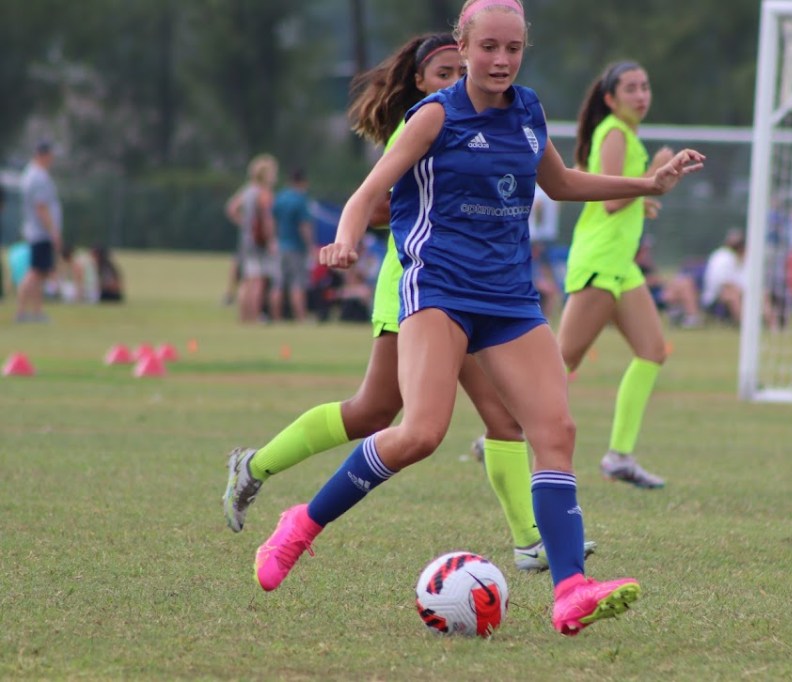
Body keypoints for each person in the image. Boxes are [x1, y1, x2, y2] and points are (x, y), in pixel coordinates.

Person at [246, 0, 704, 637]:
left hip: (511, 298)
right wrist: (346, 239)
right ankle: (300, 525)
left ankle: (570, 590)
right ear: (463, 46)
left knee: (555, 429)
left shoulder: (529, 108)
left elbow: (562, 183)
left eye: (513, 49)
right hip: (438, 290)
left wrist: (647, 187)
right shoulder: (434, 115)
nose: (501, 60)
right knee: (420, 433)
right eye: (489, 47)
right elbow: (367, 194)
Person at [224, 32, 596, 577]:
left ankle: (529, 542)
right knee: (376, 414)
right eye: (443, 73)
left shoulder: (510, 114)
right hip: (418, 282)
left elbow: (550, 182)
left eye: (456, 71)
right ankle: (255, 465)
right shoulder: (428, 119)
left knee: (501, 417)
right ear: (421, 81)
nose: (454, 80)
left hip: (479, 288)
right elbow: (374, 204)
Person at [557, 61, 676, 490]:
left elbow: (620, 196)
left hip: (621, 265)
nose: (641, 95)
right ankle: (497, 433)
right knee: (560, 362)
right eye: (631, 88)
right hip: (601, 260)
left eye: (645, 87)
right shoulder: (613, 131)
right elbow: (609, 199)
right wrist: (653, 176)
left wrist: (643, 199)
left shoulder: (623, 134)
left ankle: (619, 456)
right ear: (610, 98)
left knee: (653, 350)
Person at [226, 154, 279, 323]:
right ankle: (255, 316)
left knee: (247, 280)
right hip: (260, 242)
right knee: (258, 281)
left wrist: (244, 224)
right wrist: (271, 240)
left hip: (246, 240)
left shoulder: (247, 190)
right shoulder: (264, 194)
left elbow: (231, 208)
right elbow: (267, 220)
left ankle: (244, 317)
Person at [16, 141, 62, 323]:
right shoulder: (39, 177)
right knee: (35, 271)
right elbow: (41, 206)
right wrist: (53, 231)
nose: (52, 159)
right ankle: (22, 311)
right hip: (40, 231)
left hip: (35, 230)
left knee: (40, 272)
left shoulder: (30, 174)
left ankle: (36, 311)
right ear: (43, 155)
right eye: (50, 155)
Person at [272, 168, 316, 322]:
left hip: (280, 246)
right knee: (297, 284)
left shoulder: (279, 198)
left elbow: (272, 221)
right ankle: (301, 317)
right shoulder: (300, 200)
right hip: (296, 248)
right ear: (302, 182)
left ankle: (276, 317)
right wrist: (311, 246)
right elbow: (304, 226)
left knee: (278, 284)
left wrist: (273, 240)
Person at [528, 184, 561, 318]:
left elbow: (538, 208)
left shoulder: (538, 193)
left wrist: (538, 234)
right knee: (548, 276)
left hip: (538, 239)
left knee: (538, 276)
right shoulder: (551, 192)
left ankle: (543, 314)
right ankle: (549, 312)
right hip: (549, 237)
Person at [701, 228, 747, 323]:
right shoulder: (722, 257)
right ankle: (744, 325)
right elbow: (724, 285)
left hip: (736, 293)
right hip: (715, 298)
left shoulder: (742, 261)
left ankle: (772, 325)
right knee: (733, 296)